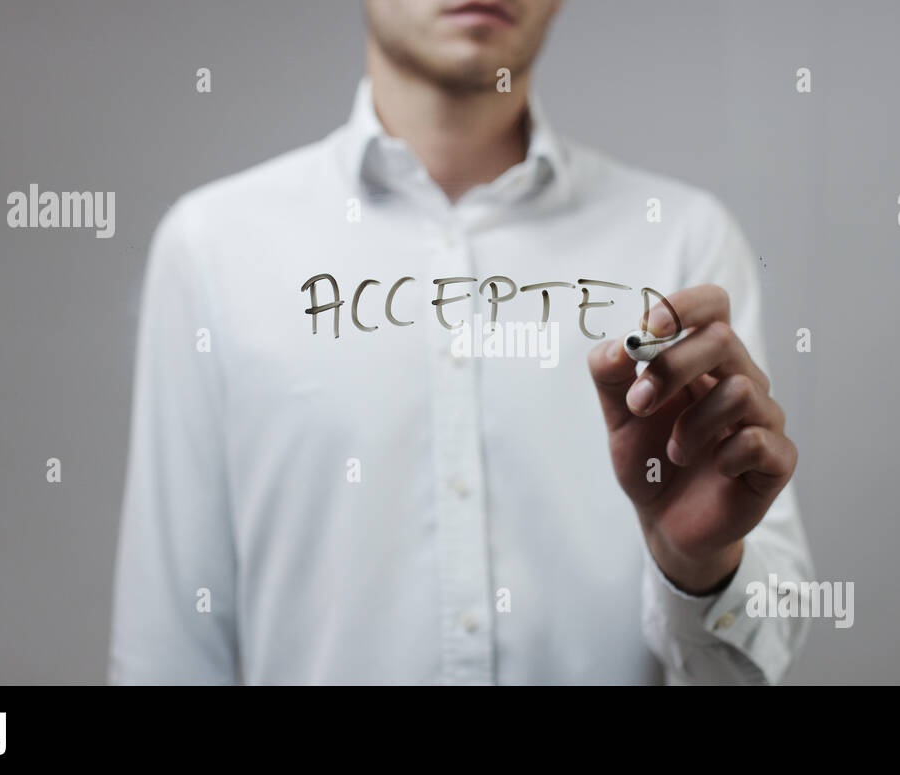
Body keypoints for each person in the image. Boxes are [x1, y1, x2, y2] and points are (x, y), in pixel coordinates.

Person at [110, 0, 812, 685]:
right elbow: (166, 650)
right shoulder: (212, 248)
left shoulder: (681, 244)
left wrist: (696, 569)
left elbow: (755, 665)